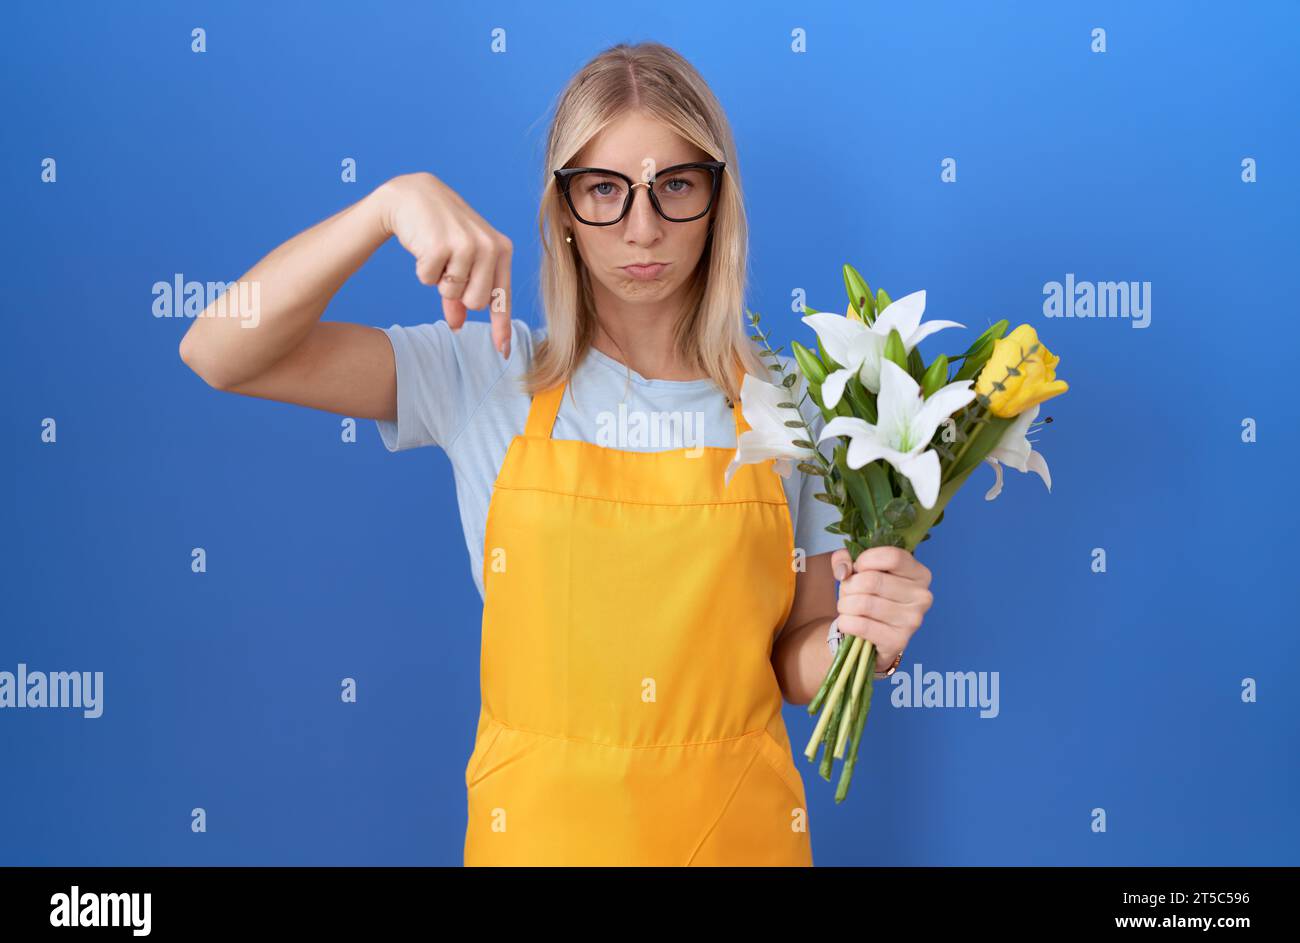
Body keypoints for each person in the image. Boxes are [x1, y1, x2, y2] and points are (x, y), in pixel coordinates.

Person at [178, 41, 935, 866]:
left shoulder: (796, 406)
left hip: (737, 840)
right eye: (605, 190)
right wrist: (388, 206)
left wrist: (867, 638)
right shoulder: (488, 376)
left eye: (675, 185)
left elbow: (796, 664)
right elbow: (220, 351)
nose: (641, 228)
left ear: (719, 200)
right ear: (562, 209)